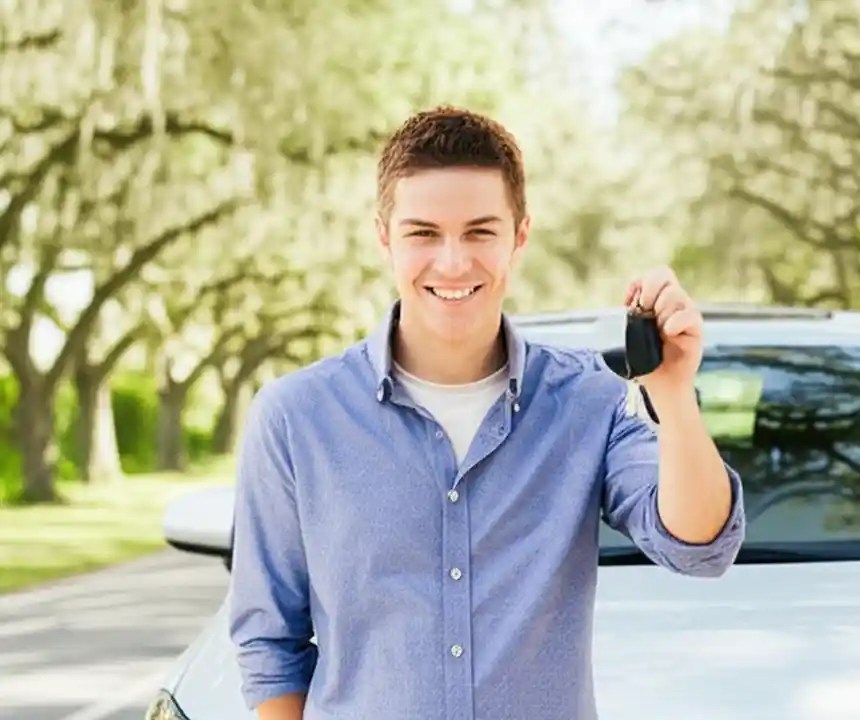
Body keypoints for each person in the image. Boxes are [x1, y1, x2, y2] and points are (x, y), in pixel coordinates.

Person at [227, 105, 747, 720]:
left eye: (480, 231)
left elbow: (699, 548)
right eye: (424, 233)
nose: (452, 263)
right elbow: (270, 647)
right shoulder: (295, 419)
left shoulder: (589, 401)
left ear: (519, 236)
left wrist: (674, 393)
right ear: (384, 236)